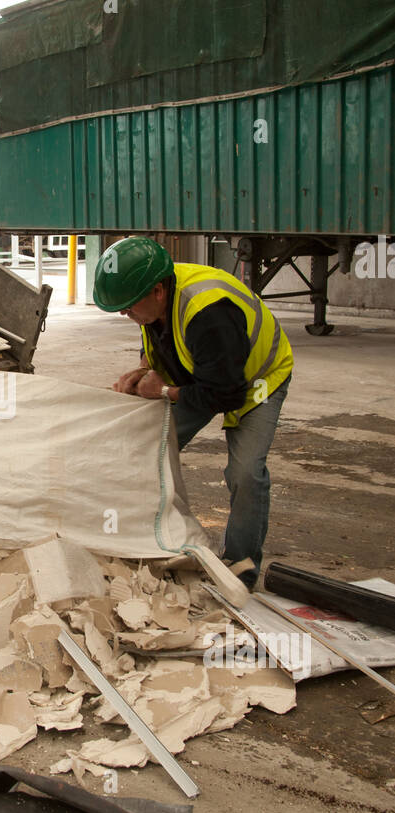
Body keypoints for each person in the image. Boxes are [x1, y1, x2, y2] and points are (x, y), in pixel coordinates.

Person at [93, 236, 293, 591]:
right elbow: (156, 335)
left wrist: (166, 391)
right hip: (210, 374)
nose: (125, 314)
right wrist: (143, 370)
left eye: (127, 306)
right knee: (145, 443)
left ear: (157, 291)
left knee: (245, 473)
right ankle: (143, 540)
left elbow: (224, 394)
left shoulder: (209, 313)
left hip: (256, 380)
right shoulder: (155, 293)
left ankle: (240, 567)